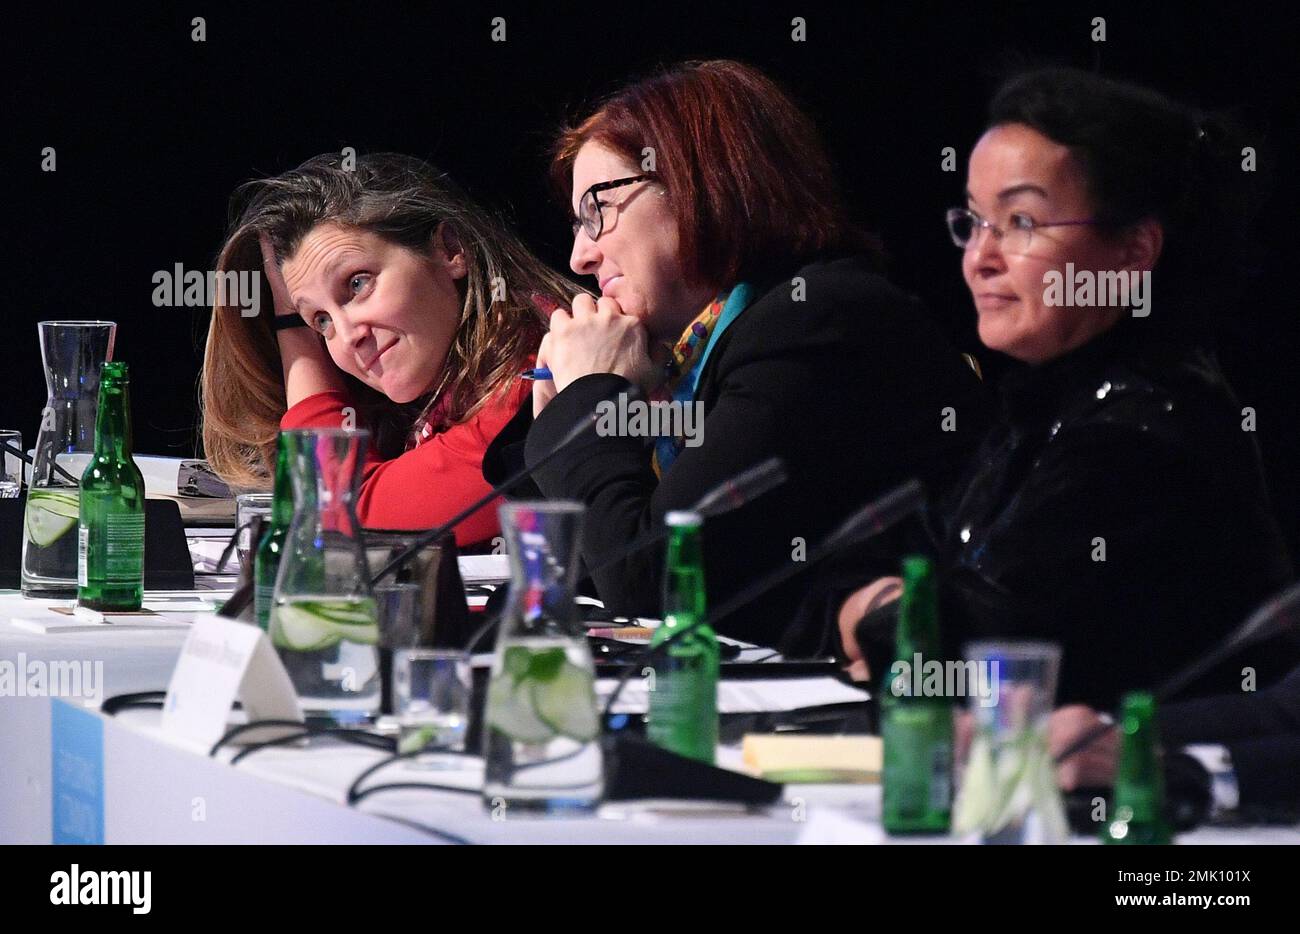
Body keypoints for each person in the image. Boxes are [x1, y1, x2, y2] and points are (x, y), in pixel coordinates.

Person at [830, 67, 1298, 708]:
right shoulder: (1047, 402)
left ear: (1134, 252)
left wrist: (873, 611)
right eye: (974, 220)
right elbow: (908, 571)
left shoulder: (1146, 423)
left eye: (1021, 221)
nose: (979, 258)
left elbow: (967, 647)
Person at [485, 60, 987, 651]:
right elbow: (576, 575)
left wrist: (587, 405)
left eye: (598, 210)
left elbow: (650, 578)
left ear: (704, 181)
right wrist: (571, 414)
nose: (580, 257)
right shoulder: (685, 354)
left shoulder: (815, 321)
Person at [201, 152, 575, 547]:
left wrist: (291, 323)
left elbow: (337, 511)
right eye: (320, 322)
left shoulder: (540, 369)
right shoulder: (425, 398)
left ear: (450, 249)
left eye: (357, 284)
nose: (346, 338)